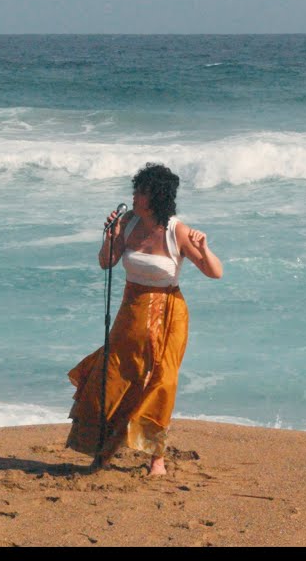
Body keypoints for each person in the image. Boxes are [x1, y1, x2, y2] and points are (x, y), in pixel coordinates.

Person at [65, 162, 223, 476]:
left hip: (168, 314)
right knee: (112, 377)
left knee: (161, 381)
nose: (135, 196)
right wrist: (110, 236)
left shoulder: (176, 230)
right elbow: (106, 263)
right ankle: (103, 450)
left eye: (141, 192)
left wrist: (204, 249)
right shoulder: (128, 221)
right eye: (136, 190)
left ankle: (156, 458)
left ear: (157, 197)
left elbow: (214, 272)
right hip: (131, 309)